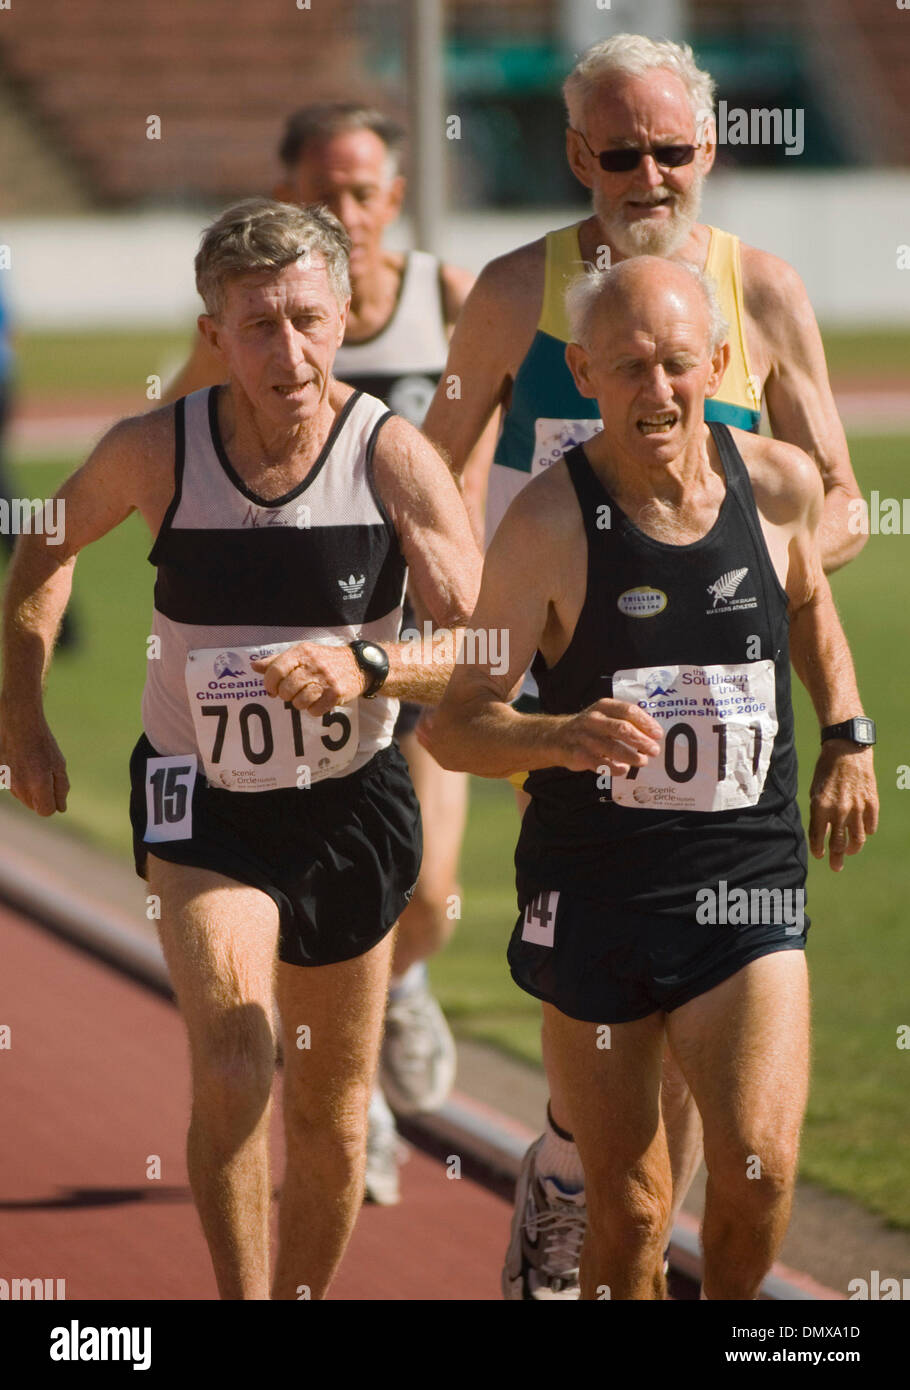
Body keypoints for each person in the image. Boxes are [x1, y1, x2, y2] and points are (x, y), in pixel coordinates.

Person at [421, 32, 867, 1299]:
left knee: (709, 1085)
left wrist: (764, 569)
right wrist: (473, 605)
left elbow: (832, 499)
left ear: (708, 149)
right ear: (579, 158)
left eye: (672, 148)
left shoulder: (760, 292)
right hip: (552, 674)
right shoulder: (517, 290)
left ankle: (580, 1185)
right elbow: (430, 460)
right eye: (620, 153)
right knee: (627, 1026)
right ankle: (582, 1184)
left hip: (716, 680)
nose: (649, 174)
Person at [0, 199, 481, 1299]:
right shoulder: (155, 451)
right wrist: (19, 715)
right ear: (215, 333)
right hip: (200, 797)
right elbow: (42, 549)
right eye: (258, 326)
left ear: (345, 317)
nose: (289, 350)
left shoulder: (391, 456)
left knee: (326, 1104)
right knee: (235, 1058)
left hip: (349, 801)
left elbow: (477, 646)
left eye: (308, 319)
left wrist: (364, 670)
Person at [167, 102, 493, 1203]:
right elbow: (178, 441)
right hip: (304, 627)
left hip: (420, 626)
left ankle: (392, 999)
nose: (343, 211)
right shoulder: (269, 321)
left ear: (394, 198)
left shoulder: (448, 302)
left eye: (362, 192)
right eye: (321, 191)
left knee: (435, 895)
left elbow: (497, 448)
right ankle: (353, 1097)